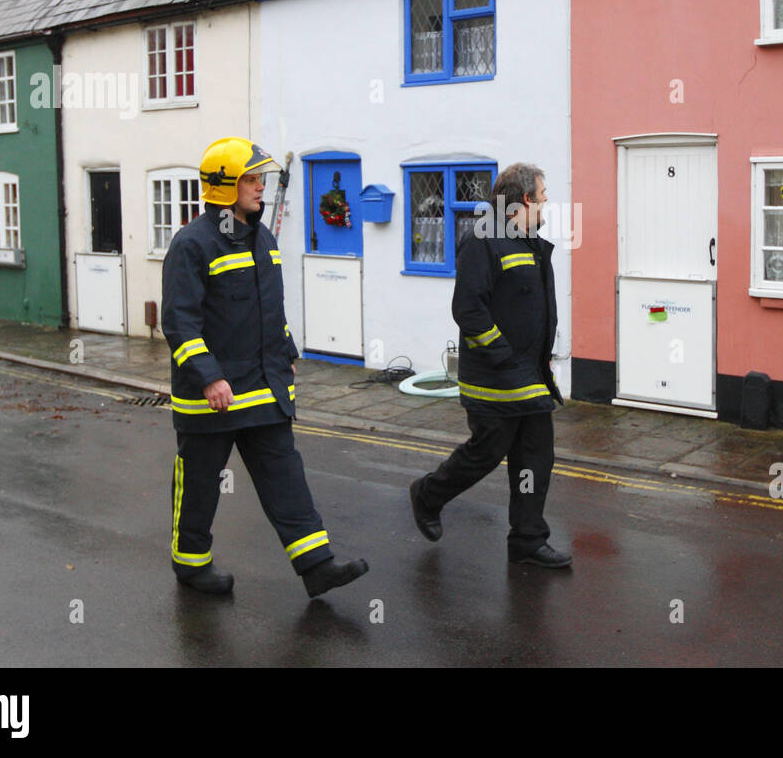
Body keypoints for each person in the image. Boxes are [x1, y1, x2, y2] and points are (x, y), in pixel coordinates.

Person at [162, 136, 368, 597]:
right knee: (200, 485)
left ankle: (317, 565)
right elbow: (178, 322)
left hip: (263, 387)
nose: (260, 187)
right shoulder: (191, 245)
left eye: (260, 179)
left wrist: (286, 355)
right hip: (212, 397)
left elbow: (269, 309)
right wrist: (210, 376)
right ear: (224, 188)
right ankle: (190, 565)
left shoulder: (263, 237)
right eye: (251, 180)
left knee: (285, 476)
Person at [408, 162, 571, 567]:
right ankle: (428, 494)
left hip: (529, 376)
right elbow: (468, 308)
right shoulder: (484, 239)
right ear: (526, 199)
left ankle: (528, 540)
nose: (548, 199)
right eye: (543, 192)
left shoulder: (526, 239)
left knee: (536, 456)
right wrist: (501, 353)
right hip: (495, 378)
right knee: (487, 451)